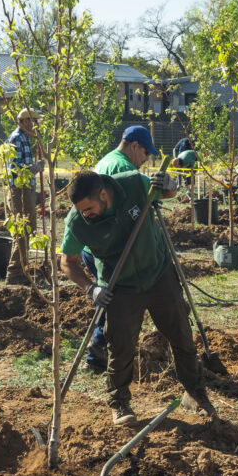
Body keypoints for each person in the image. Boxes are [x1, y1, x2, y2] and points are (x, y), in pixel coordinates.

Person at [59, 169, 214, 428]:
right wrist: (91, 289)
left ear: (104, 194)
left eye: (89, 208)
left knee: (181, 336)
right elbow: (67, 263)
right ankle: (119, 402)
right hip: (119, 286)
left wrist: (170, 184)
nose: (86, 215)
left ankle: (195, 393)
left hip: (158, 273)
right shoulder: (77, 223)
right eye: (81, 211)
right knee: (120, 347)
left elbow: (167, 192)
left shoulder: (133, 184)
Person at [82, 125, 162, 373]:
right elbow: (151, 196)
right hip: (107, 247)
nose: (146, 159)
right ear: (135, 146)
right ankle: (100, 353)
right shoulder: (123, 168)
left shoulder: (108, 159)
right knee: (114, 298)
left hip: (97, 243)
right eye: (146, 153)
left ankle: (99, 352)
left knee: (108, 297)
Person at [5, 108, 44, 286]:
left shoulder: (25, 138)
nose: (34, 125)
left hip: (26, 189)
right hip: (18, 191)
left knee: (29, 230)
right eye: (31, 122)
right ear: (23, 122)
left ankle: (22, 269)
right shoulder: (16, 138)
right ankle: (14, 273)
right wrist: (34, 170)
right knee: (22, 231)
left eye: (35, 122)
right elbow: (14, 170)